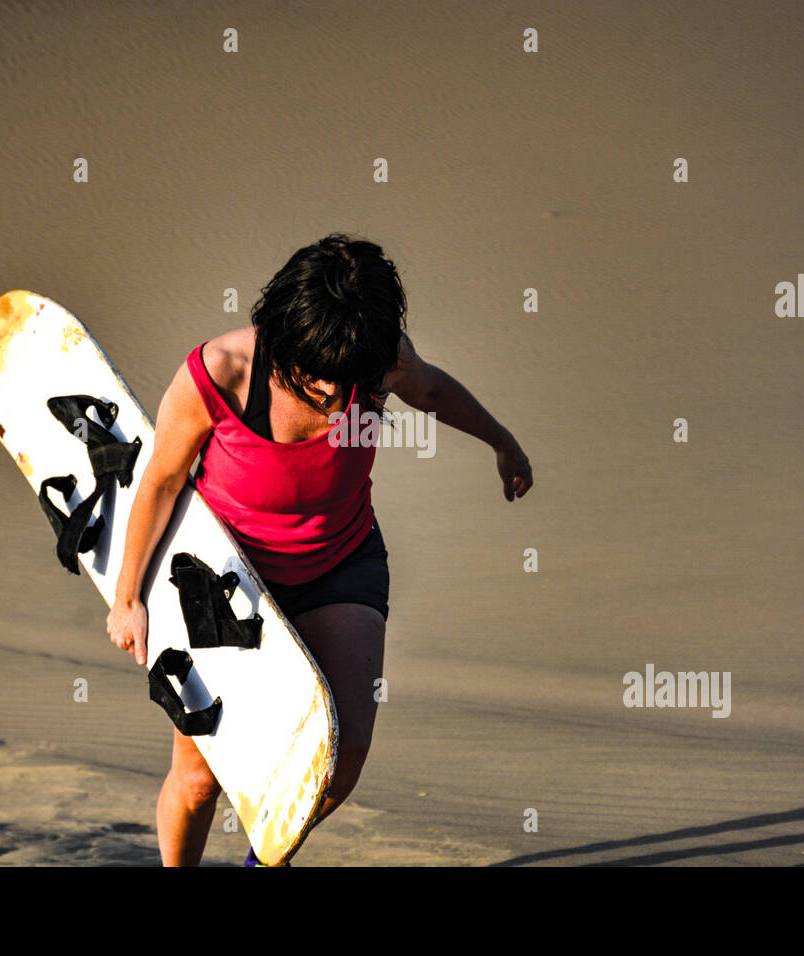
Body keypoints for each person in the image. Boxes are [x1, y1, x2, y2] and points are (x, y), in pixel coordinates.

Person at [105, 233, 532, 865]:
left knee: (342, 756)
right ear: (286, 336)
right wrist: (128, 597)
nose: (336, 396)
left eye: (349, 379)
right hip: (229, 580)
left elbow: (433, 391)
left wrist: (502, 441)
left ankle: (258, 863)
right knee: (199, 782)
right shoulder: (221, 373)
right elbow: (163, 480)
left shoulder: (375, 354)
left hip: (341, 561)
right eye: (318, 377)